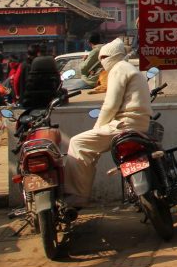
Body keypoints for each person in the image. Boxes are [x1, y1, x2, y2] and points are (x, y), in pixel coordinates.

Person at [63, 38, 153, 208]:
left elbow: (110, 105)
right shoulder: (130, 68)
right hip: (140, 124)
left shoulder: (118, 69)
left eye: (103, 58)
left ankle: (78, 195)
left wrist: (97, 127)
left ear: (110, 56)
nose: (102, 62)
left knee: (77, 144)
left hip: (124, 125)